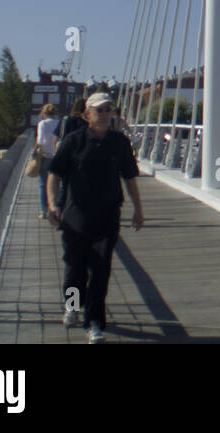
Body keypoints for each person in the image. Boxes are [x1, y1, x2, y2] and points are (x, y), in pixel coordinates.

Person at [46, 92, 143, 344]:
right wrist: (51, 204)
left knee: (101, 269)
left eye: (108, 109)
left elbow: (130, 177)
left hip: (107, 214)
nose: (104, 114)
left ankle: (94, 322)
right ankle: (73, 306)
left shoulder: (119, 142)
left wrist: (138, 209)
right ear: (86, 114)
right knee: (75, 268)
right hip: (75, 215)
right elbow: (54, 174)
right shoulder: (73, 141)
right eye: (98, 110)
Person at [35, 104, 60, 218]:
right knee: (56, 183)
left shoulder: (43, 124)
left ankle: (44, 211)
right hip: (57, 156)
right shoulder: (59, 122)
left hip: (45, 155)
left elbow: (40, 140)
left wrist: (37, 152)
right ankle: (56, 208)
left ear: (44, 113)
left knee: (43, 184)